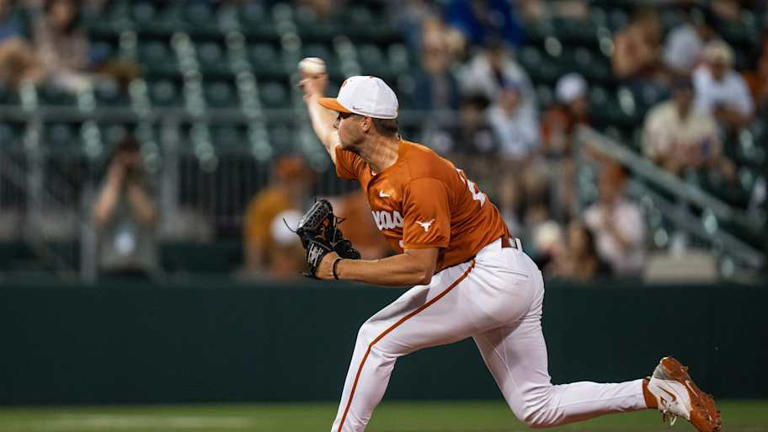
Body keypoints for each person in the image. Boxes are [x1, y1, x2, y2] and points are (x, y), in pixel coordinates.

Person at [299, 68, 720, 432]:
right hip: (503, 271)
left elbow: (419, 269)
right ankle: (660, 391)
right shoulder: (368, 161)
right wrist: (313, 96)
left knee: (374, 339)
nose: (337, 120)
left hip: (488, 273)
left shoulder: (418, 176)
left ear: (367, 123)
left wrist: (339, 268)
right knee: (537, 406)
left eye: (344, 114)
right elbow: (327, 137)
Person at [92, 136, 158, 279]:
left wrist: (132, 182)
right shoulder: (107, 186)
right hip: (111, 265)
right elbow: (101, 216)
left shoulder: (148, 185)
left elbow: (149, 216)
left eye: (132, 154)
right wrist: (115, 180)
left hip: (141, 266)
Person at [643, 77, 722, 176]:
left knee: (725, 168)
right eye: (681, 95)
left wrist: (700, 158)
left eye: (688, 96)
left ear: (693, 97)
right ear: (674, 96)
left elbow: (713, 148)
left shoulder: (704, 118)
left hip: (699, 166)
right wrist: (682, 160)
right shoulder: (658, 115)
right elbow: (657, 154)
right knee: (672, 166)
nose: (684, 100)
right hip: (661, 167)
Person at [583, 164, 646, 277]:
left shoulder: (632, 212)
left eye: (610, 184)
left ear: (618, 186)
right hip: (599, 275)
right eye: (603, 184)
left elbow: (629, 245)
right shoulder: (591, 214)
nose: (606, 189)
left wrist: (611, 227)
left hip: (629, 273)